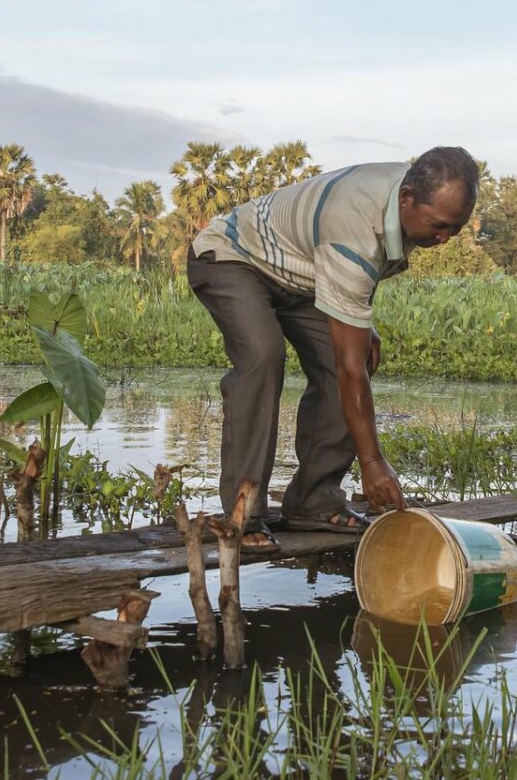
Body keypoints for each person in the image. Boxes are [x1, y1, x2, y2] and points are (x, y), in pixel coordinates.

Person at [186, 147, 479, 551]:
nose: (444, 238)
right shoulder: (355, 218)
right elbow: (348, 369)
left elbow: (353, 285)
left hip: (302, 276)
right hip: (234, 257)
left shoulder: (411, 193)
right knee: (263, 354)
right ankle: (243, 511)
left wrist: (363, 326)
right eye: (439, 225)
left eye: (456, 229)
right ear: (407, 197)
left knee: (356, 354)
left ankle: (313, 501)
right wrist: (373, 465)